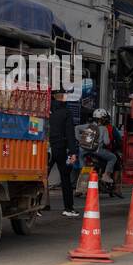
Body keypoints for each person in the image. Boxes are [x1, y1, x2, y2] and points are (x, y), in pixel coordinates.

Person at [48, 89, 79, 217]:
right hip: (61, 148)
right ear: (63, 97)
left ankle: (38, 206)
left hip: (46, 149)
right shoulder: (66, 113)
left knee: (43, 177)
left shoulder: (46, 112)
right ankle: (68, 208)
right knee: (65, 178)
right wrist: (73, 152)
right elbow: (70, 134)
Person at [76, 108, 118, 186]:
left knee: (81, 158)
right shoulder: (104, 128)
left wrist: (80, 139)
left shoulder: (88, 125)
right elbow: (107, 142)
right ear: (102, 118)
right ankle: (106, 175)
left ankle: (82, 180)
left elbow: (76, 128)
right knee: (113, 158)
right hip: (96, 151)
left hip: (84, 150)